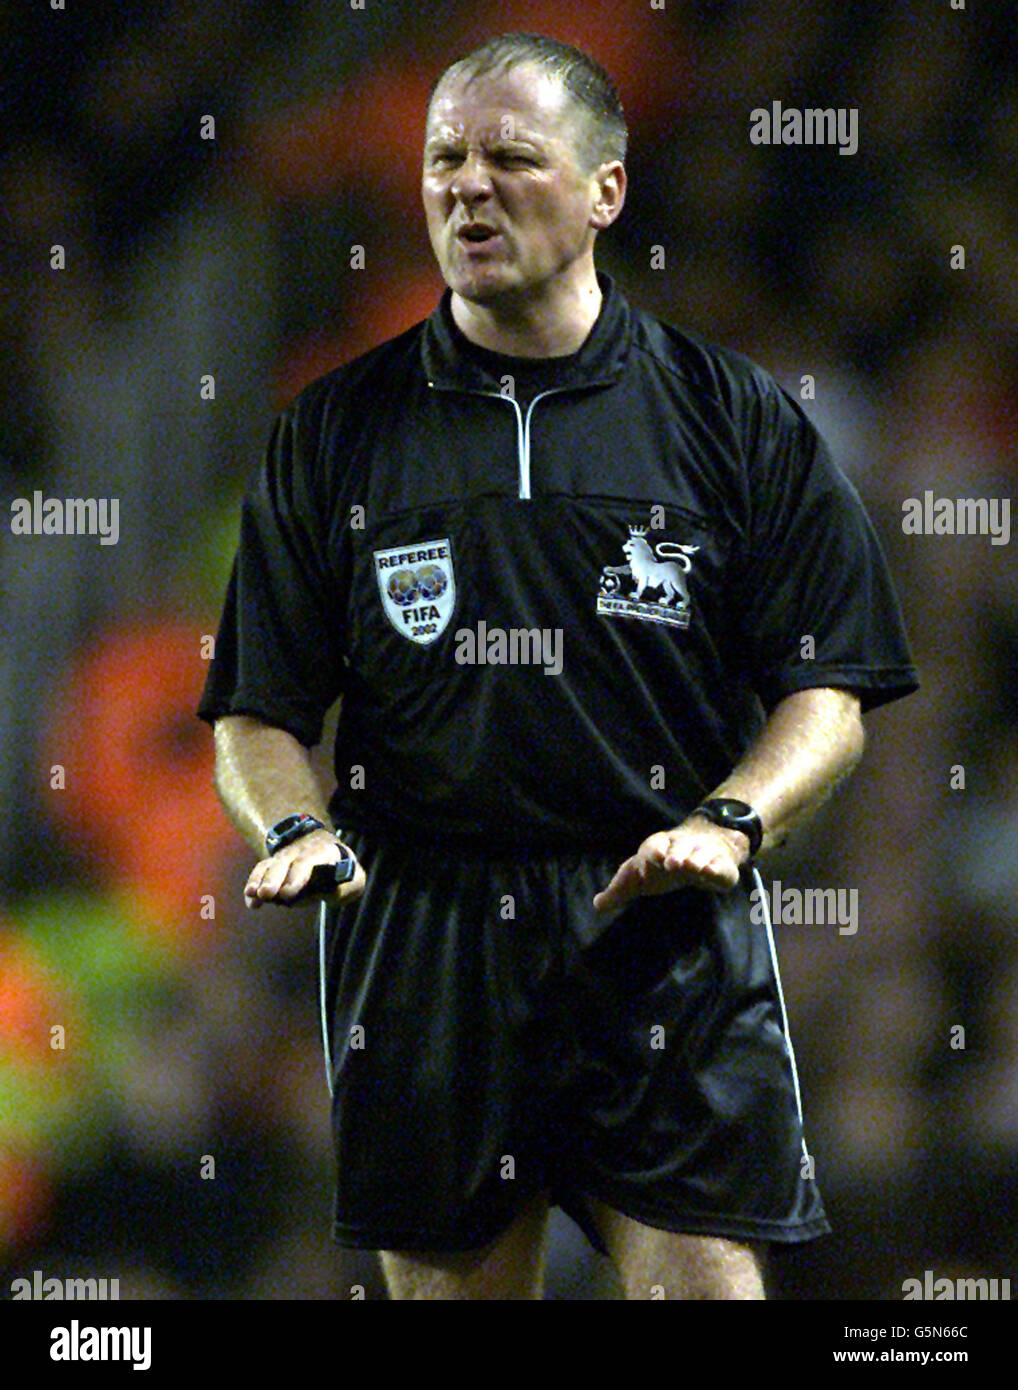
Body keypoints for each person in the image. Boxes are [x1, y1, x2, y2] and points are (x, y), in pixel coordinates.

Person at [197, 32, 919, 1300]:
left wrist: (735, 817)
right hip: (422, 938)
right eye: (443, 160)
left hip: (657, 929)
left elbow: (831, 690)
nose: (466, 187)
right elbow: (255, 711)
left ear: (604, 191)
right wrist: (294, 824)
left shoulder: (730, 418)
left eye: (510, 158)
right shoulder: (333, 431)